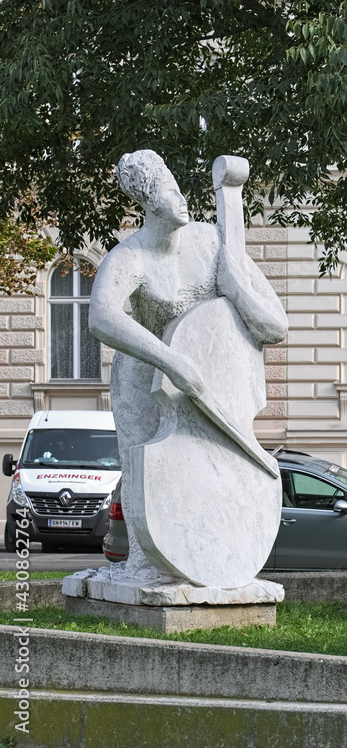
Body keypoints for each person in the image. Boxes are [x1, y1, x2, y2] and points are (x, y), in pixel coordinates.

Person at [89, 150, 288, 579]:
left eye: (179, 187)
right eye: (168, 190)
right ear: (146, 200)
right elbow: (101, 316)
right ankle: (144, 564)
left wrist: (236, 285)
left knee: (205, 469)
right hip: (143, 379)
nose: (180, 198)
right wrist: (170, 359)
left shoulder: (211, 242)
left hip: (206, 379)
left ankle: (212, 561)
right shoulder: (131, 257)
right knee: (147, 476)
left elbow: (275, 327)